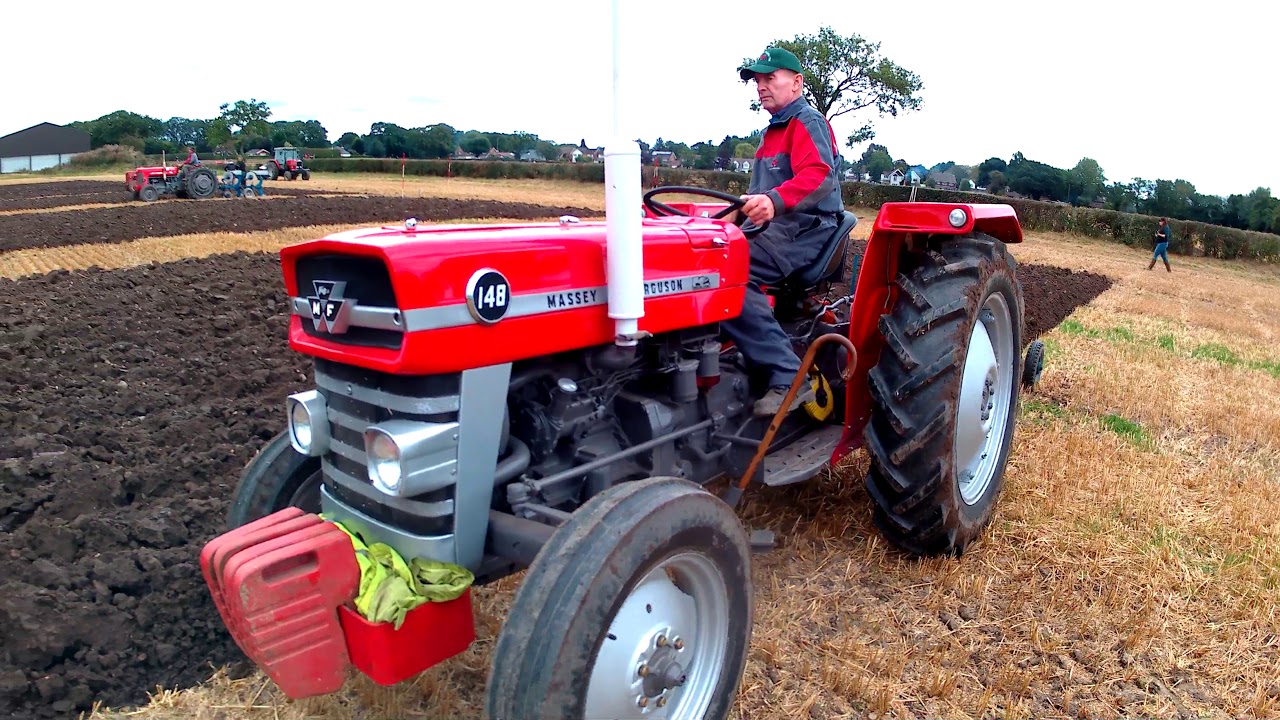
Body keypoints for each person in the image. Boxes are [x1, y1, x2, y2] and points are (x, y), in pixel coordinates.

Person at [724, 47, 846, 417]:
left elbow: (819, 176)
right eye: (757, 80)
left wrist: (775, 202)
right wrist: (727, 217)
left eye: (768, 78)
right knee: (701, 252)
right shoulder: (771, 133)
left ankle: (787, 377)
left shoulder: (806, 122)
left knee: (727, 271)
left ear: (796, 83)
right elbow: (756, 195)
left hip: (806, 229)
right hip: (774, 227)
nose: (760, 86)